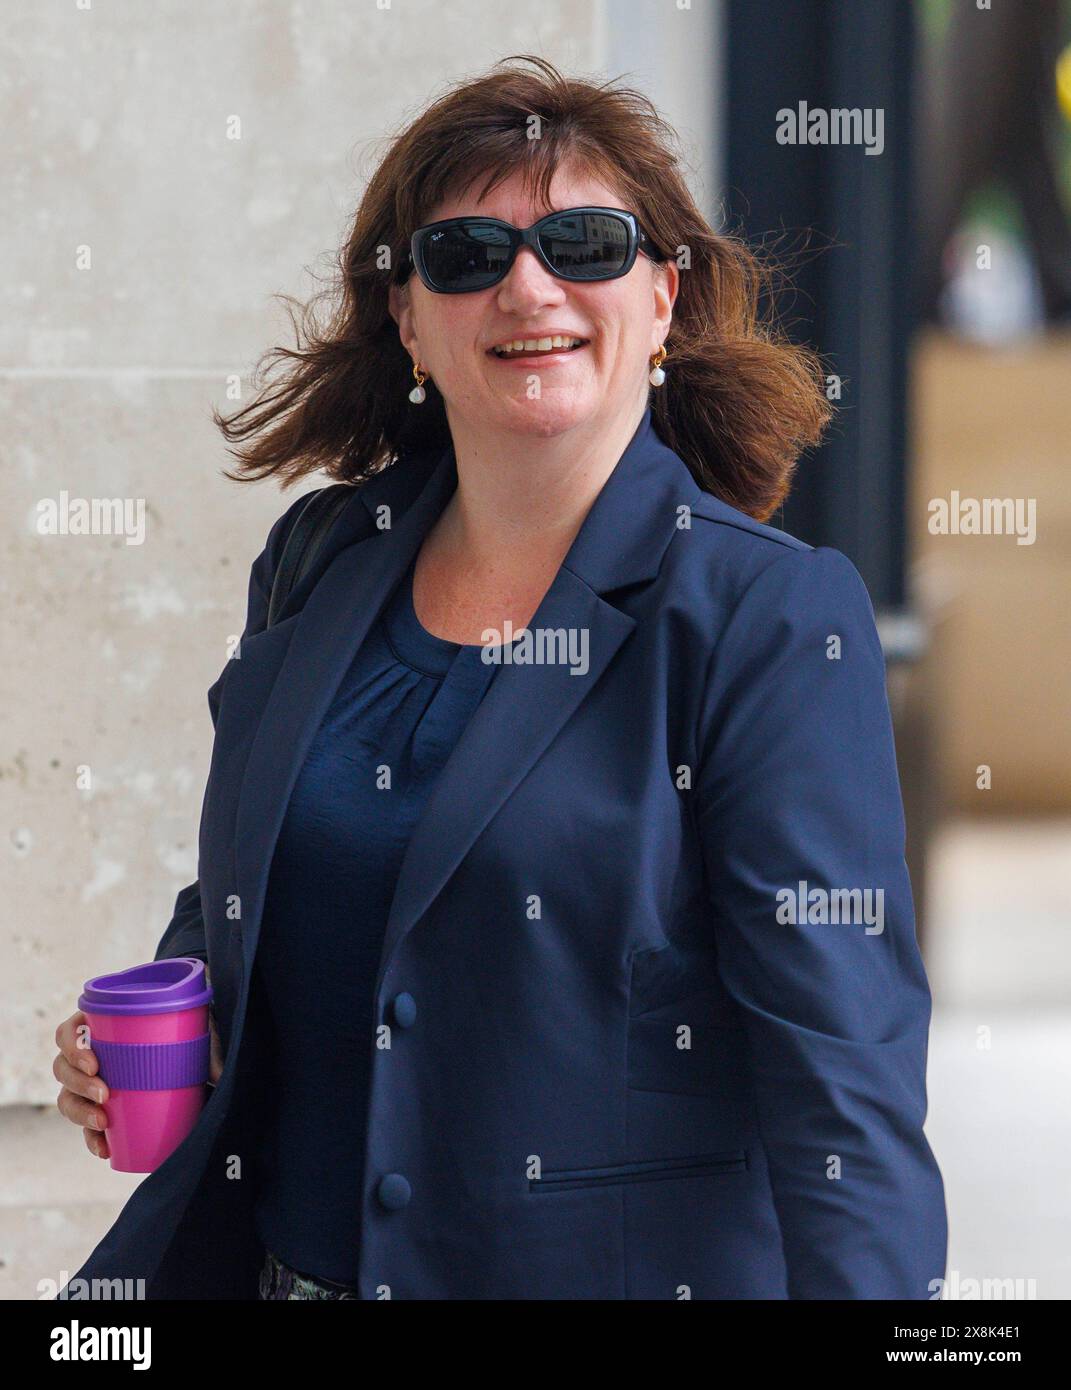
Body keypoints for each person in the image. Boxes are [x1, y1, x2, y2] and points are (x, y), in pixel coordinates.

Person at [54, 54, 946, 1300]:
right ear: (412, 319)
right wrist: (170, 1019)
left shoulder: (768, 618)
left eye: (584, 243)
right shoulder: (318, 561)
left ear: (664, 299)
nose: (529, 283)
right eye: (465, 254)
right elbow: (264, 881)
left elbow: (841, 1087)